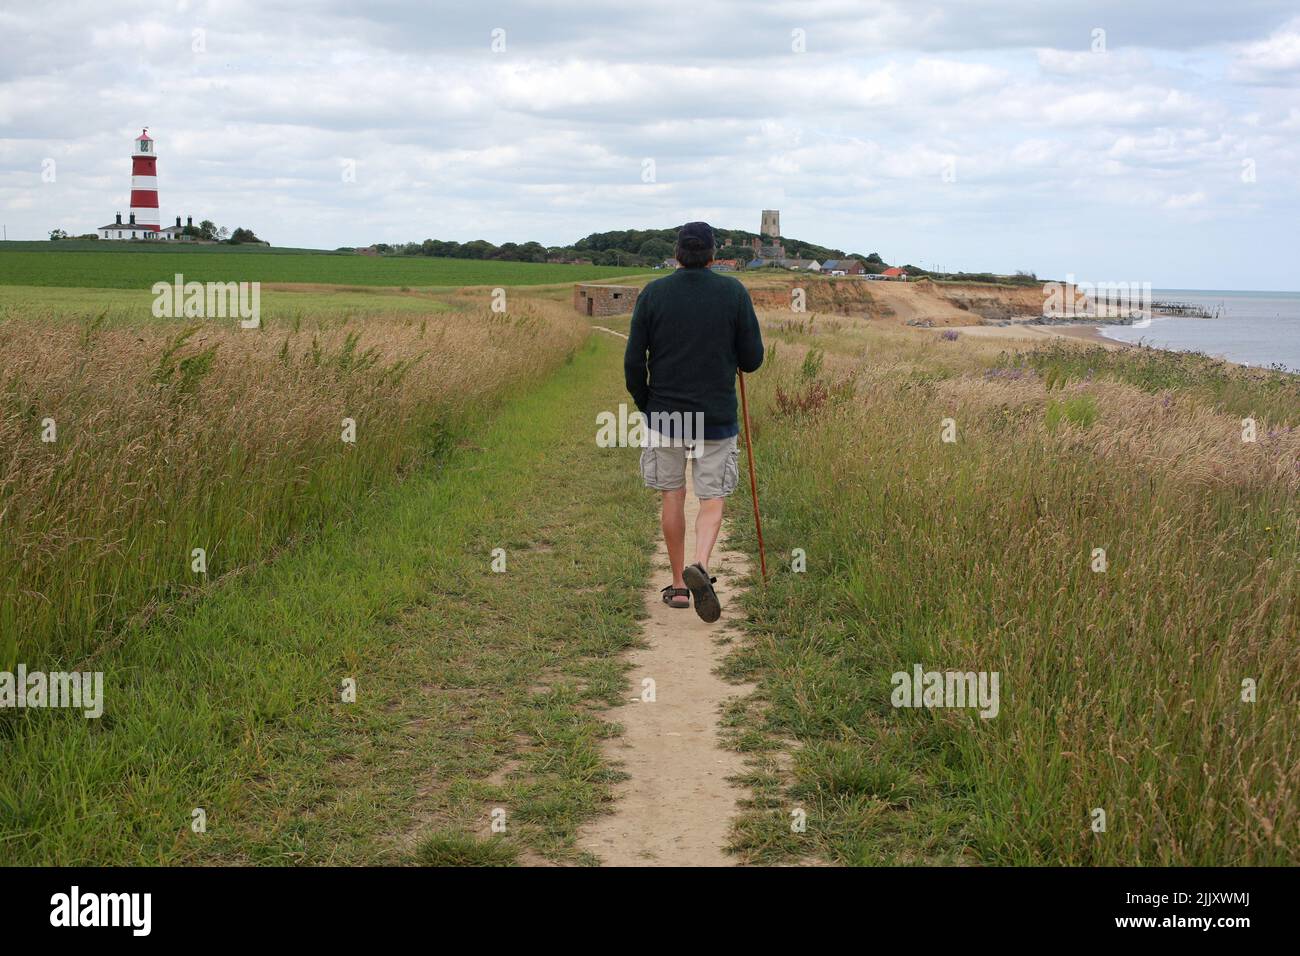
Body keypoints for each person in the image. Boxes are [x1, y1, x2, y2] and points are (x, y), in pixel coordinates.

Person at [623, 222, 764, 623]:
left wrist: (646, 403)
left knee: (672, 495)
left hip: (666, 415)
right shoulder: (733, 292)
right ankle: (700, 563)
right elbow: (752, 360)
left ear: (678, 252)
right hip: (716, 417)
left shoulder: (653, 293)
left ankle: (679, 586)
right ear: (714, 254)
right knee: (712, 498)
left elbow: (634, 360)